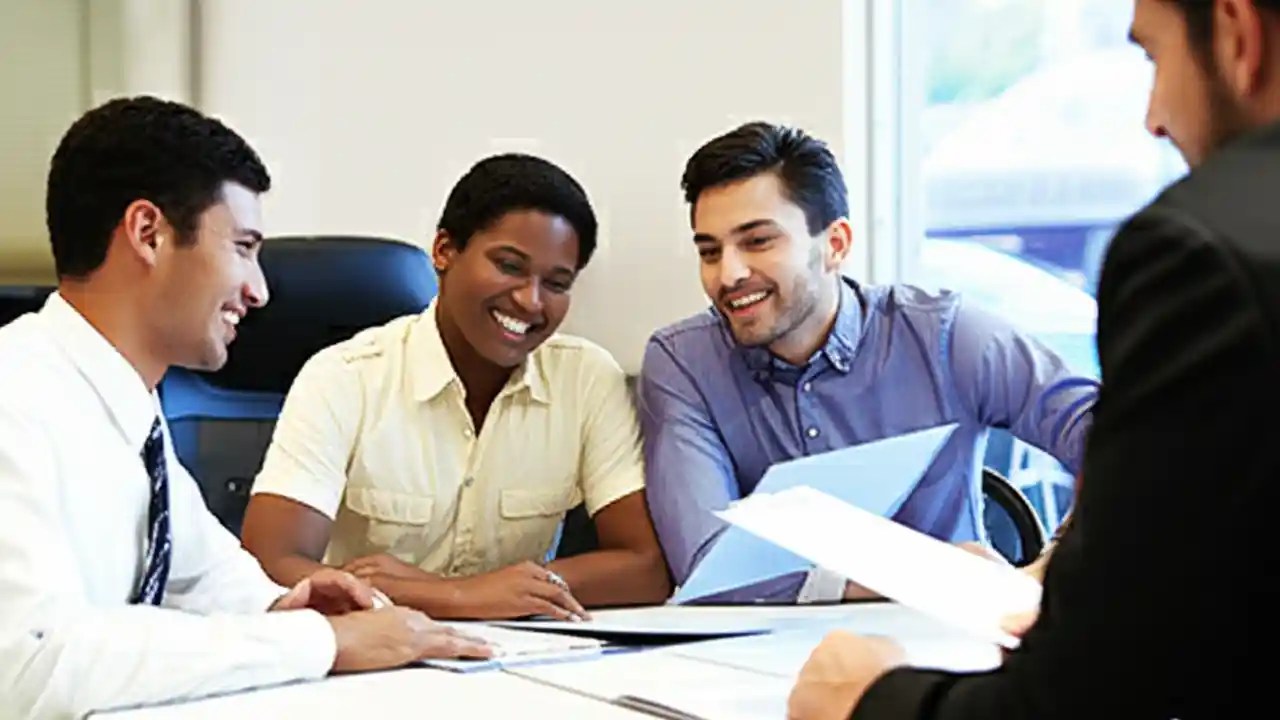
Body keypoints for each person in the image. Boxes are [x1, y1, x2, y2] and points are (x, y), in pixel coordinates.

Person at [787, 1, 1280, 717]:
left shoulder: (1199, 251)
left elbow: (1077, 700)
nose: (1153, 116)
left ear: (1238, 33)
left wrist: (870, 700)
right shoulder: (683, 363)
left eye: (1154, 57)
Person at [0, 97, 490, 720]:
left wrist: (281, 607)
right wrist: (319, 641)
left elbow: (201, 574)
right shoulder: (14, 399)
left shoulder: (125, 409)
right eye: (243, 247)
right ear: (147, 233)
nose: (258, 291)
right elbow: (28, 665)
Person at [638, 121, 1098, 604]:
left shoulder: (943, 334)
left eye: (757, 242)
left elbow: (1115, 435)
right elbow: (707, 564)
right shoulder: (683, 361)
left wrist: (1055, 564)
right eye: (710, 251)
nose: (728, 273)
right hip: (758, 653)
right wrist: (924, 574)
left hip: (945, 638)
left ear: (834, 245)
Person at [242, 153, 671, 621]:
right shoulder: (345, 377)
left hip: (521, 658)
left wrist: (455, 592)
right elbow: (268, 564)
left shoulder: (587, 379)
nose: (531, 300)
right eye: (509, 266)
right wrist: (467, 597)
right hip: (371, 659)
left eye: (556, 282)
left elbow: (644, 568)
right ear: (444, 251)